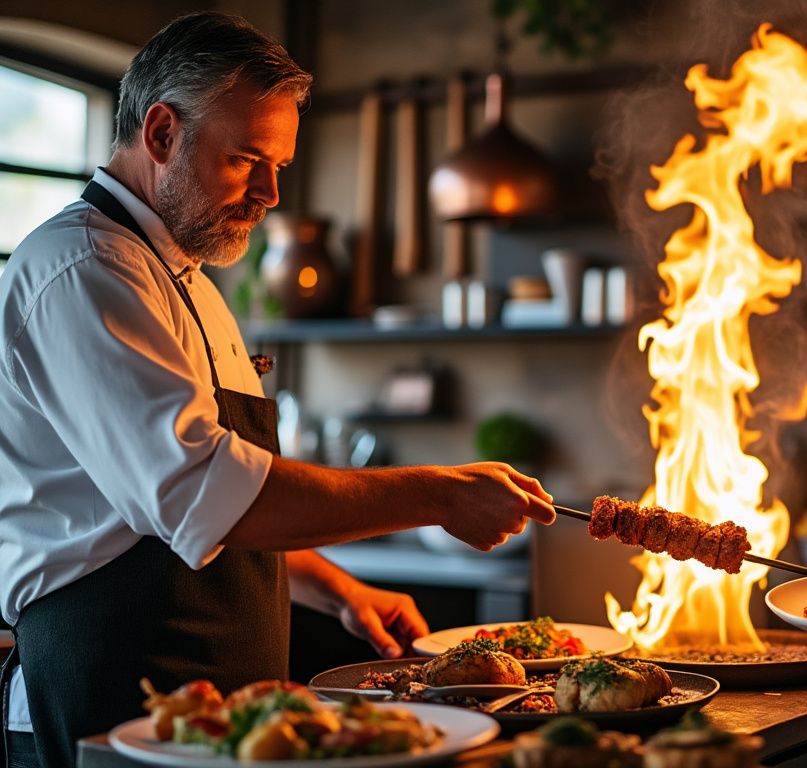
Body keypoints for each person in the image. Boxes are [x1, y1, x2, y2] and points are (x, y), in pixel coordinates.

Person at [0, 12, 554, 767]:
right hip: (113, 694)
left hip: (219, 699)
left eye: (279, 166)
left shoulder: (181, 275)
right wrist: (438, 493)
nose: (268, 192)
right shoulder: (85, 270)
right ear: (161, 133)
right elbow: (199, 491)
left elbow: (197, 517)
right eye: (246, 159)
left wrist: (333, 586)